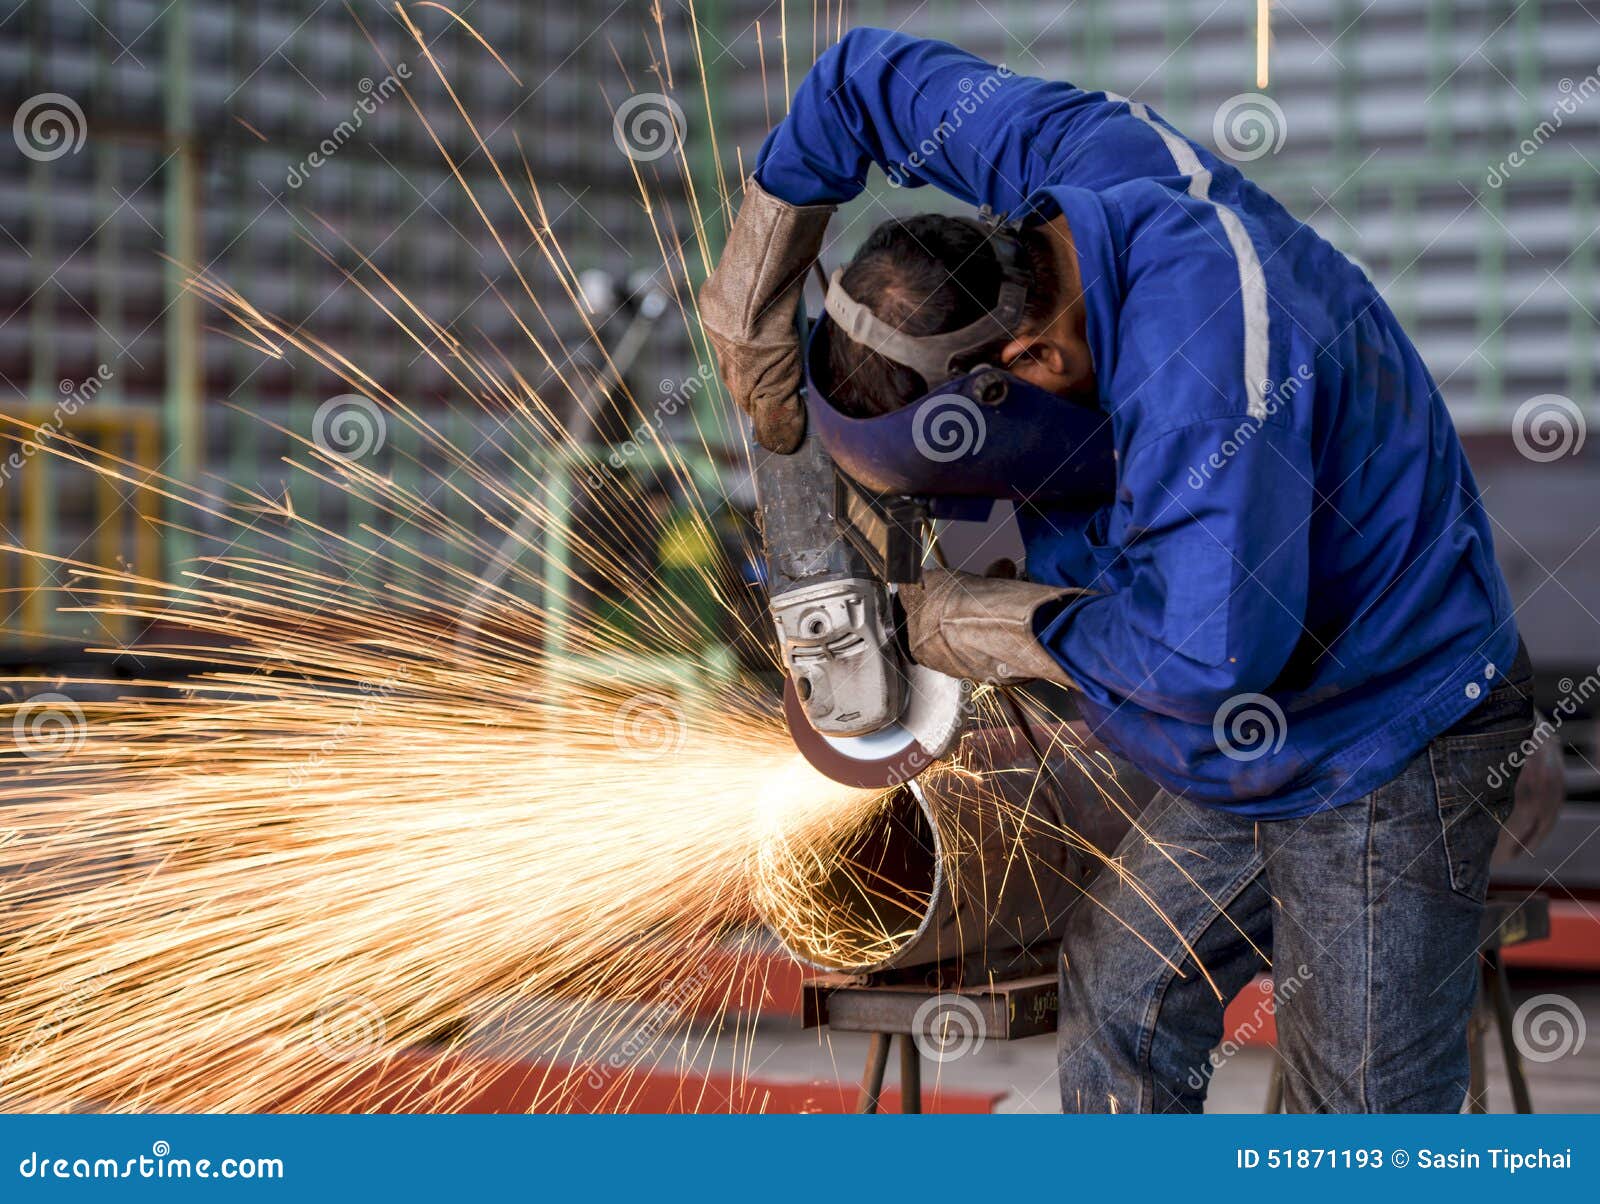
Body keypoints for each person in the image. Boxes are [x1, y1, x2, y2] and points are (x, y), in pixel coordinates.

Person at [699, 28, 1536, 1113]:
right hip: (1254, 737)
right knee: (1126, 994)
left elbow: (1203, 655)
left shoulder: (1201, 376)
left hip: (1384, 722)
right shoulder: (1069, 167)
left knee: (1355, 1106)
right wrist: (755, 280)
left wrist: (988, 624)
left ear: (1031, 363)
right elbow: (857, 77)